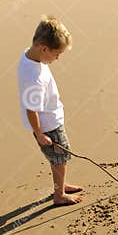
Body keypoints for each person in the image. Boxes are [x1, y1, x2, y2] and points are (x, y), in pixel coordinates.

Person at [17, 16, 83, 205]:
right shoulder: (34, 78)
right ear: (44, 49)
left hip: (48, 120)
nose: (58, 58)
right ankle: (59, 195)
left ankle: (60, 185)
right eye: (56, 54)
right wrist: (39, 133)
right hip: (48, 125)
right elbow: (31, 109)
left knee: (57, 158)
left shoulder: (28, 57)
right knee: (60, 159)